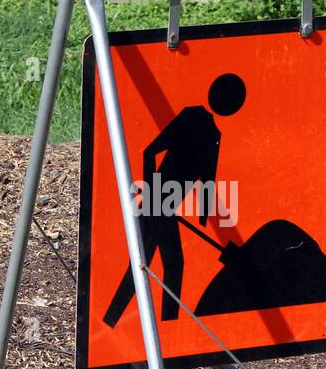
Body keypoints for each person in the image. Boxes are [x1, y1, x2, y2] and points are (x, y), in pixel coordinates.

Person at [103, 72, 246, 327]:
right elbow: (150, 151)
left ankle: (153, 325)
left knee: (156, 267)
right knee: (156, 267)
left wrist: (205, 218)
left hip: (167, 209)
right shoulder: (191, 116)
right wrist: (151, 190)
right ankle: (142, 324)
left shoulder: (215, 135)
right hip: (155, 206)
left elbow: (207, 182)